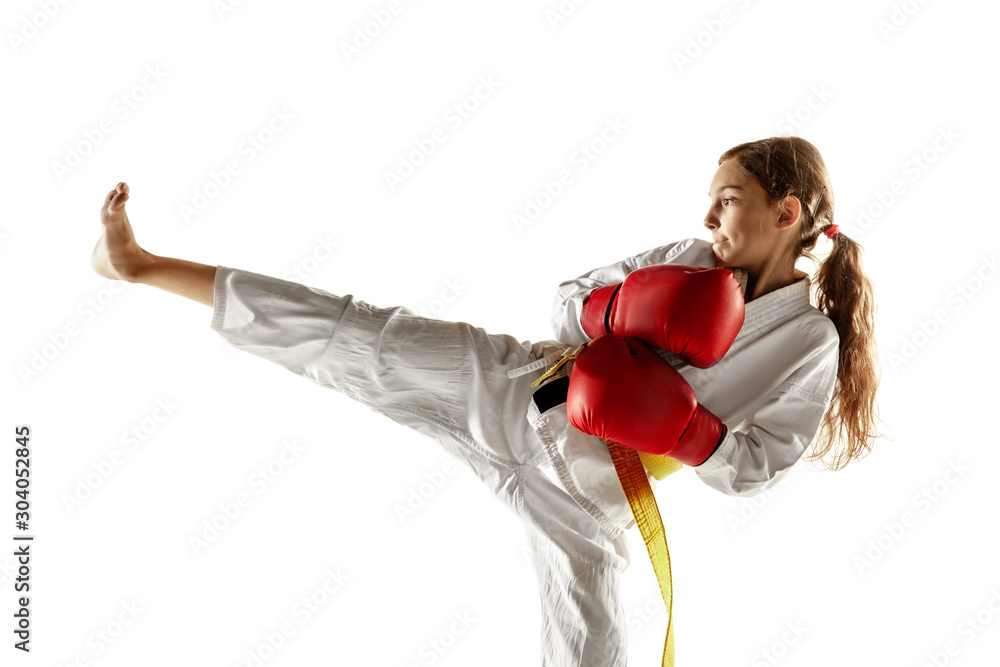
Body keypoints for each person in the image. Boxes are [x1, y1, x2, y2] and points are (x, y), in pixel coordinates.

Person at [91, 135, 882, 666]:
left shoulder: (809, 342)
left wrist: (682, 426)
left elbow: (756, 468)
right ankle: (141, 264)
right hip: (512, 390)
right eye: (710, 199)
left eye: (729, 200)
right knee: (359, 333)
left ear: (787, 214)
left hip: (587, 500)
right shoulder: (687, 258)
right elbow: (566, 297)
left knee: (592, 650)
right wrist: (615, 311)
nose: (708, 217)